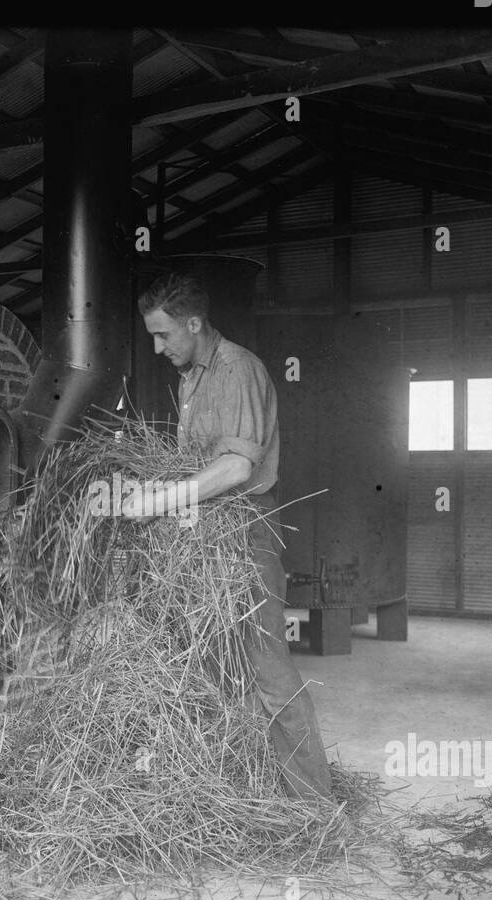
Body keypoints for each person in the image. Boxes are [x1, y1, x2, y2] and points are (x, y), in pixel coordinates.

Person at [120, 273, 334, 802]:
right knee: (214, 661)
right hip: (206, 536)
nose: (157, 346)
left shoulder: (238, 369)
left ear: (194, 323)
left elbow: (237, 467)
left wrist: (160, 502)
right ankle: (240, 788)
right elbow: (198, 464)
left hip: (246, 532)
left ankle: (313, 805)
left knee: (266, 666)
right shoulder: (191, 376)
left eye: (163, 334)